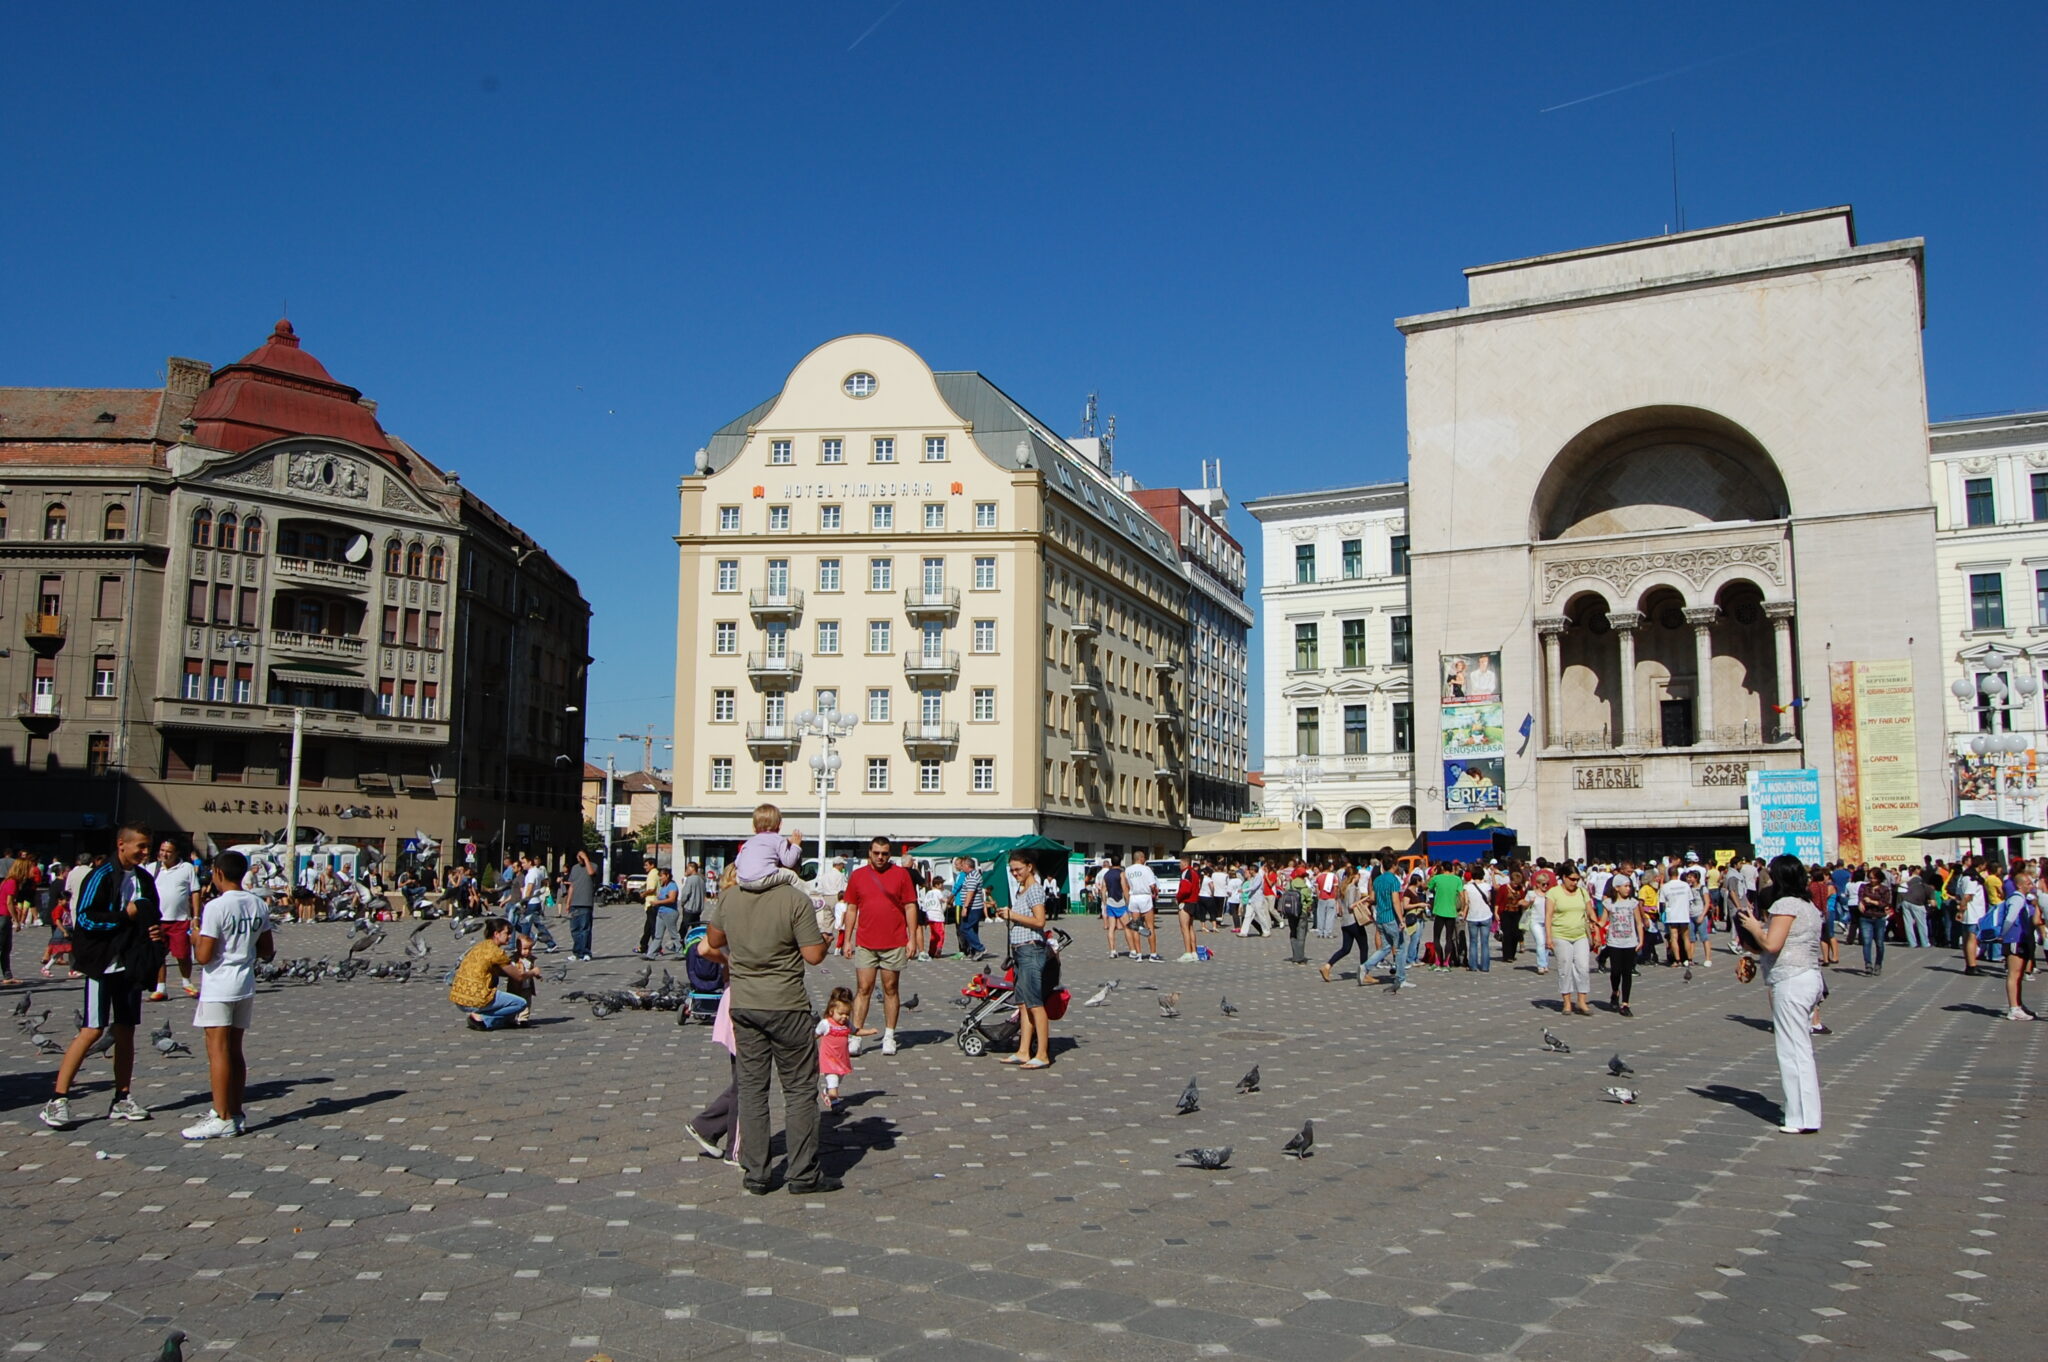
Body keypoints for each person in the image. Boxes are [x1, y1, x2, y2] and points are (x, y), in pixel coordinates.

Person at [703, 850, 833, 1195]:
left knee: (751, 1090)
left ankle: (757, 1173)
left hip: (744, 1004)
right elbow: (813, 955)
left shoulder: (730, 898)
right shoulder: (795, 899)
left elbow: (713, 941)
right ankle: (803, 1174)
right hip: (786, 1004)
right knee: (800, 1091)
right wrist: (826, 940)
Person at [40, 824, 164, 1129]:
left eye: (149, 847)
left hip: (130, 964)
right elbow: (84, 918)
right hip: (102, 964)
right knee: (92, 1030)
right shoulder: (101, 875)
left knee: (125, 1030)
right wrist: (126, 916)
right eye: (142, 847)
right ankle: (57, 1099)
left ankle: (122, 1097)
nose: (146, 853)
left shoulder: (145, 879)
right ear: (122, 844)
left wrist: (152, 931)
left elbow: (151, 913)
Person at [181, 850, 275, 1140]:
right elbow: (267, 951)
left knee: (217, 1050)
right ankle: (235, 1112)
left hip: (219, 985)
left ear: (219, 873)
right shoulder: (258, 903)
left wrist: (195, 938)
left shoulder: (216, 907)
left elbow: (204, 957)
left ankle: (221, 1116)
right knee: (235, 1050)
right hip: (245, 983)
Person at [1738, 856, 1826, 1133]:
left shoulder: (1785, 904)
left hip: (1791, 979)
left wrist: (1754, 927)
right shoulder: (1808, 905)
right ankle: (1807, 1115)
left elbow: (1772, 944)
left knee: (1791, 1050)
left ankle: (1797, 1117)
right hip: (1808, 975)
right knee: (1801, 1049)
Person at [842, 836, 917, 1055]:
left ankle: (889, 1035)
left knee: (890, 989)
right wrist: (847, 939)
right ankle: (855, 1035)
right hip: (866, 941)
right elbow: (852, 908)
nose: (880, 857)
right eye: (876, 853)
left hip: (894, 941)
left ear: (890, 854)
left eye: (884, 853)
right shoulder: (858, 876)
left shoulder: (901, 875)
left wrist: (912, 938)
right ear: (869, 853)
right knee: (863, 988)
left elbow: (910, 906)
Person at [995, 850, 1054, 1068]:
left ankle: (1042, 1054)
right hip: (1020, 951)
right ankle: (1023, 1050)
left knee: (1035, 1003)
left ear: (1029, 867)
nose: (1014, 873)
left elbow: (1040, 921)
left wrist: (1013, 915)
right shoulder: (1022, 890)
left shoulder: (1035, 890)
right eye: (1012, 870)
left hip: (1031, 950)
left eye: (1018, 869)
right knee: (1022, 1004)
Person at [448, 918, 537, 1030]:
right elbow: (519, 976)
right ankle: (483, 1018)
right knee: (520, 1003)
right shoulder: (496, 952)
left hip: (459, 998)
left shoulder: (479, 946)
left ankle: (483, 1016)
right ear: (496, 934)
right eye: (507, 933)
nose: (510, 936)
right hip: (477, 998)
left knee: (494, 979)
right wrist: (533, 972)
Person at [1543, 865, 1594, 1017]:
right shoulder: (1553, 893)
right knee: (1564, 968)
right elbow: (1548, 915)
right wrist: (1548, 937)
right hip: (1561, 935)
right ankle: (1566, 1002)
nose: (1574, 883)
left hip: (1580, 935)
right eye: (1572, 879)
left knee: (1583, 967)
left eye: (1577, 880)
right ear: (1564, 877)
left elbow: (1589, 910)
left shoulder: (1582, 892)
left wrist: (1596, 924)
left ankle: (1582, 1001)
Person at [1597, 875, 1647, 1016]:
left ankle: (1625, 1003)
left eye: (1629, 886)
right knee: (1615, 971)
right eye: (1625, 886)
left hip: (1630, 942)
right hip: (1614, 942)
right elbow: (1602, 922)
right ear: (1617, 888)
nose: (1628, 889)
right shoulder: (1609, 903)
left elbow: (1638, 922)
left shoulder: (1633, 903)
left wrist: (1640, 940)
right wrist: (1593, 925)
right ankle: (1614, 992)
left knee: (1627, 973)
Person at [1322, 863, 1375, 982]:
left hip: (1345, 922)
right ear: (1355, 876)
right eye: (1358, 875)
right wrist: (1364, 899)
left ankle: (1327, 966)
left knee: (1346, 948)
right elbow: (1351, 905)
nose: (1360, 878)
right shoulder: (1352, 887)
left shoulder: (1343, 887)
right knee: (1364, 947)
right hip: (1353, 921)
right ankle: (1364, 974)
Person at [734, 802, 805, 890]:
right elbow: (789, 862)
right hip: (762, 878)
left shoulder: (749, 842)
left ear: (753, 827)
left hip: (742, 880)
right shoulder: (779, 839)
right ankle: (811, 899)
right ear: (779, 825)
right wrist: (796, 845)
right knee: (792, 876)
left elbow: (737, 862)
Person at [815, 986, 856, 1109]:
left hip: (841, 1059)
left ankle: (827, 1092)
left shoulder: (847, 1024)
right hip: (828, 1059)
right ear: (831, 1010)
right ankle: (835, 1103)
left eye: (847, 1014)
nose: (844, 1017)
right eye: (841, 1013)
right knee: (833, 1081)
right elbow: (815, 1034)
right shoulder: (825, 1024)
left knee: (837, 1080)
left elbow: (855, 1031)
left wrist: (870, 1031)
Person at [1426, 862, 1463, 971]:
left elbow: (1427, 886)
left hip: (1439, 911)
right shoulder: (1457, 879)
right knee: (1448, 938)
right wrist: (1462, 909)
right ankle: (1446, 963)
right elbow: (1461, 895)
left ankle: (1438, 962)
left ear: (1442, 868)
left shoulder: (1437, 878)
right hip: (1451, 912)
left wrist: (1432, 875)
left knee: (1436, 938)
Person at [1125, 854, 1162, 962]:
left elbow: (1128, 885)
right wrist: (1156, 892)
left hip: (1134, 897)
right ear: (1140, 858)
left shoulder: (1128, 870)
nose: (1145, 859)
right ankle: (1153, 954)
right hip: (1145, 897)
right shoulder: (1146, 869)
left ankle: (1138, 954)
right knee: (1150, 926)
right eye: (1144, 857)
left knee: (1136, 927)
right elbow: (1152, 885)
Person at [1857, 870, 1893, 976]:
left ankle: (1878, 964)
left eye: (1874, 878)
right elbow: (1860, 897)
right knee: (1867, 942)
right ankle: (1868, 964)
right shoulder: (1864, 887)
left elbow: (1885, 903)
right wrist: (1860, 903)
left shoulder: (1884, 889)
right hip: (1865, 917)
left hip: (1879, 918)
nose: (1872, 880)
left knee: (1879, 943)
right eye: (1870, 878)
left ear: (1879, 878)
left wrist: (1871, 901)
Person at [952, 856, 988, 961]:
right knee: (972, 928)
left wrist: (965, 907)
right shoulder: (970, 875)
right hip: (973, 906)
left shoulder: (972, 876)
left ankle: (980, 948)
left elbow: (970, 892)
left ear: (968, 866)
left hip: (973, 907)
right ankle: (975, 950)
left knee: (965, 928)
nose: (961, 867)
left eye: (963, 865)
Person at [566, 849, 598, 961]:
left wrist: (585, 859)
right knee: (574, 929)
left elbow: (591, 873)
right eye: (578, 857)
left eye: (581, 857)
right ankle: (576, 952)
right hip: (575, 902)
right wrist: (568, 902)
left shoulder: (593, 866)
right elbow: (572, 886)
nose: (579, 859)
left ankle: (585, 952)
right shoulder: (574, 868)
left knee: (584, 929)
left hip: (585, 903)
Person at [1097, 855, 1131, 956]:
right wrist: (1128, 901)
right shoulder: (1121, 873)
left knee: (1111, 928)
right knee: (1127, 927)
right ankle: (1132, 950)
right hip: (1120, 903)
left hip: (1110, 903)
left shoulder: (1106, 875)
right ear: (1120, 862)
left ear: (1111, 862)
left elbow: (1103, 890)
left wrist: (1104, 902)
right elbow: (1125, 888)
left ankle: (1112, 950)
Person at [1460, 871, 1494, 972]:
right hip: (1485, 915)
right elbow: (1489, 899)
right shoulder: (1487, 886)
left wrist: (1464, 913)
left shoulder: (1467, 887)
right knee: (1485, 943)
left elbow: (1466, 902)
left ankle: (1473, 966)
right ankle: (1485, 966)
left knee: (1473, 942)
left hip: (1472, 916)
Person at [646, 868, 682, 957]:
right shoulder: (663, 886)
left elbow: (672, 899)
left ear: (667, 875)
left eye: (662, 876)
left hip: (670, 913)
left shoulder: (672, 885)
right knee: (658, 935)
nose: (660, 878)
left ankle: (680, 951)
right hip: (661, 912)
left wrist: (657, 902)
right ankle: (650, 954)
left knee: (674, 934)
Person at [917, 869, 948, 960]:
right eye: (941, 883)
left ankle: (931, 951)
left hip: (929, 916)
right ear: (937, 885)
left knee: (933, 935)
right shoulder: (938, 892)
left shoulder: (928, 893)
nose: (943, 885)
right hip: (937, 915)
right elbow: (943, 900)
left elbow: (924, 905)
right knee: (940, 934)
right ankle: (938, 948)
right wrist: (948, 901)